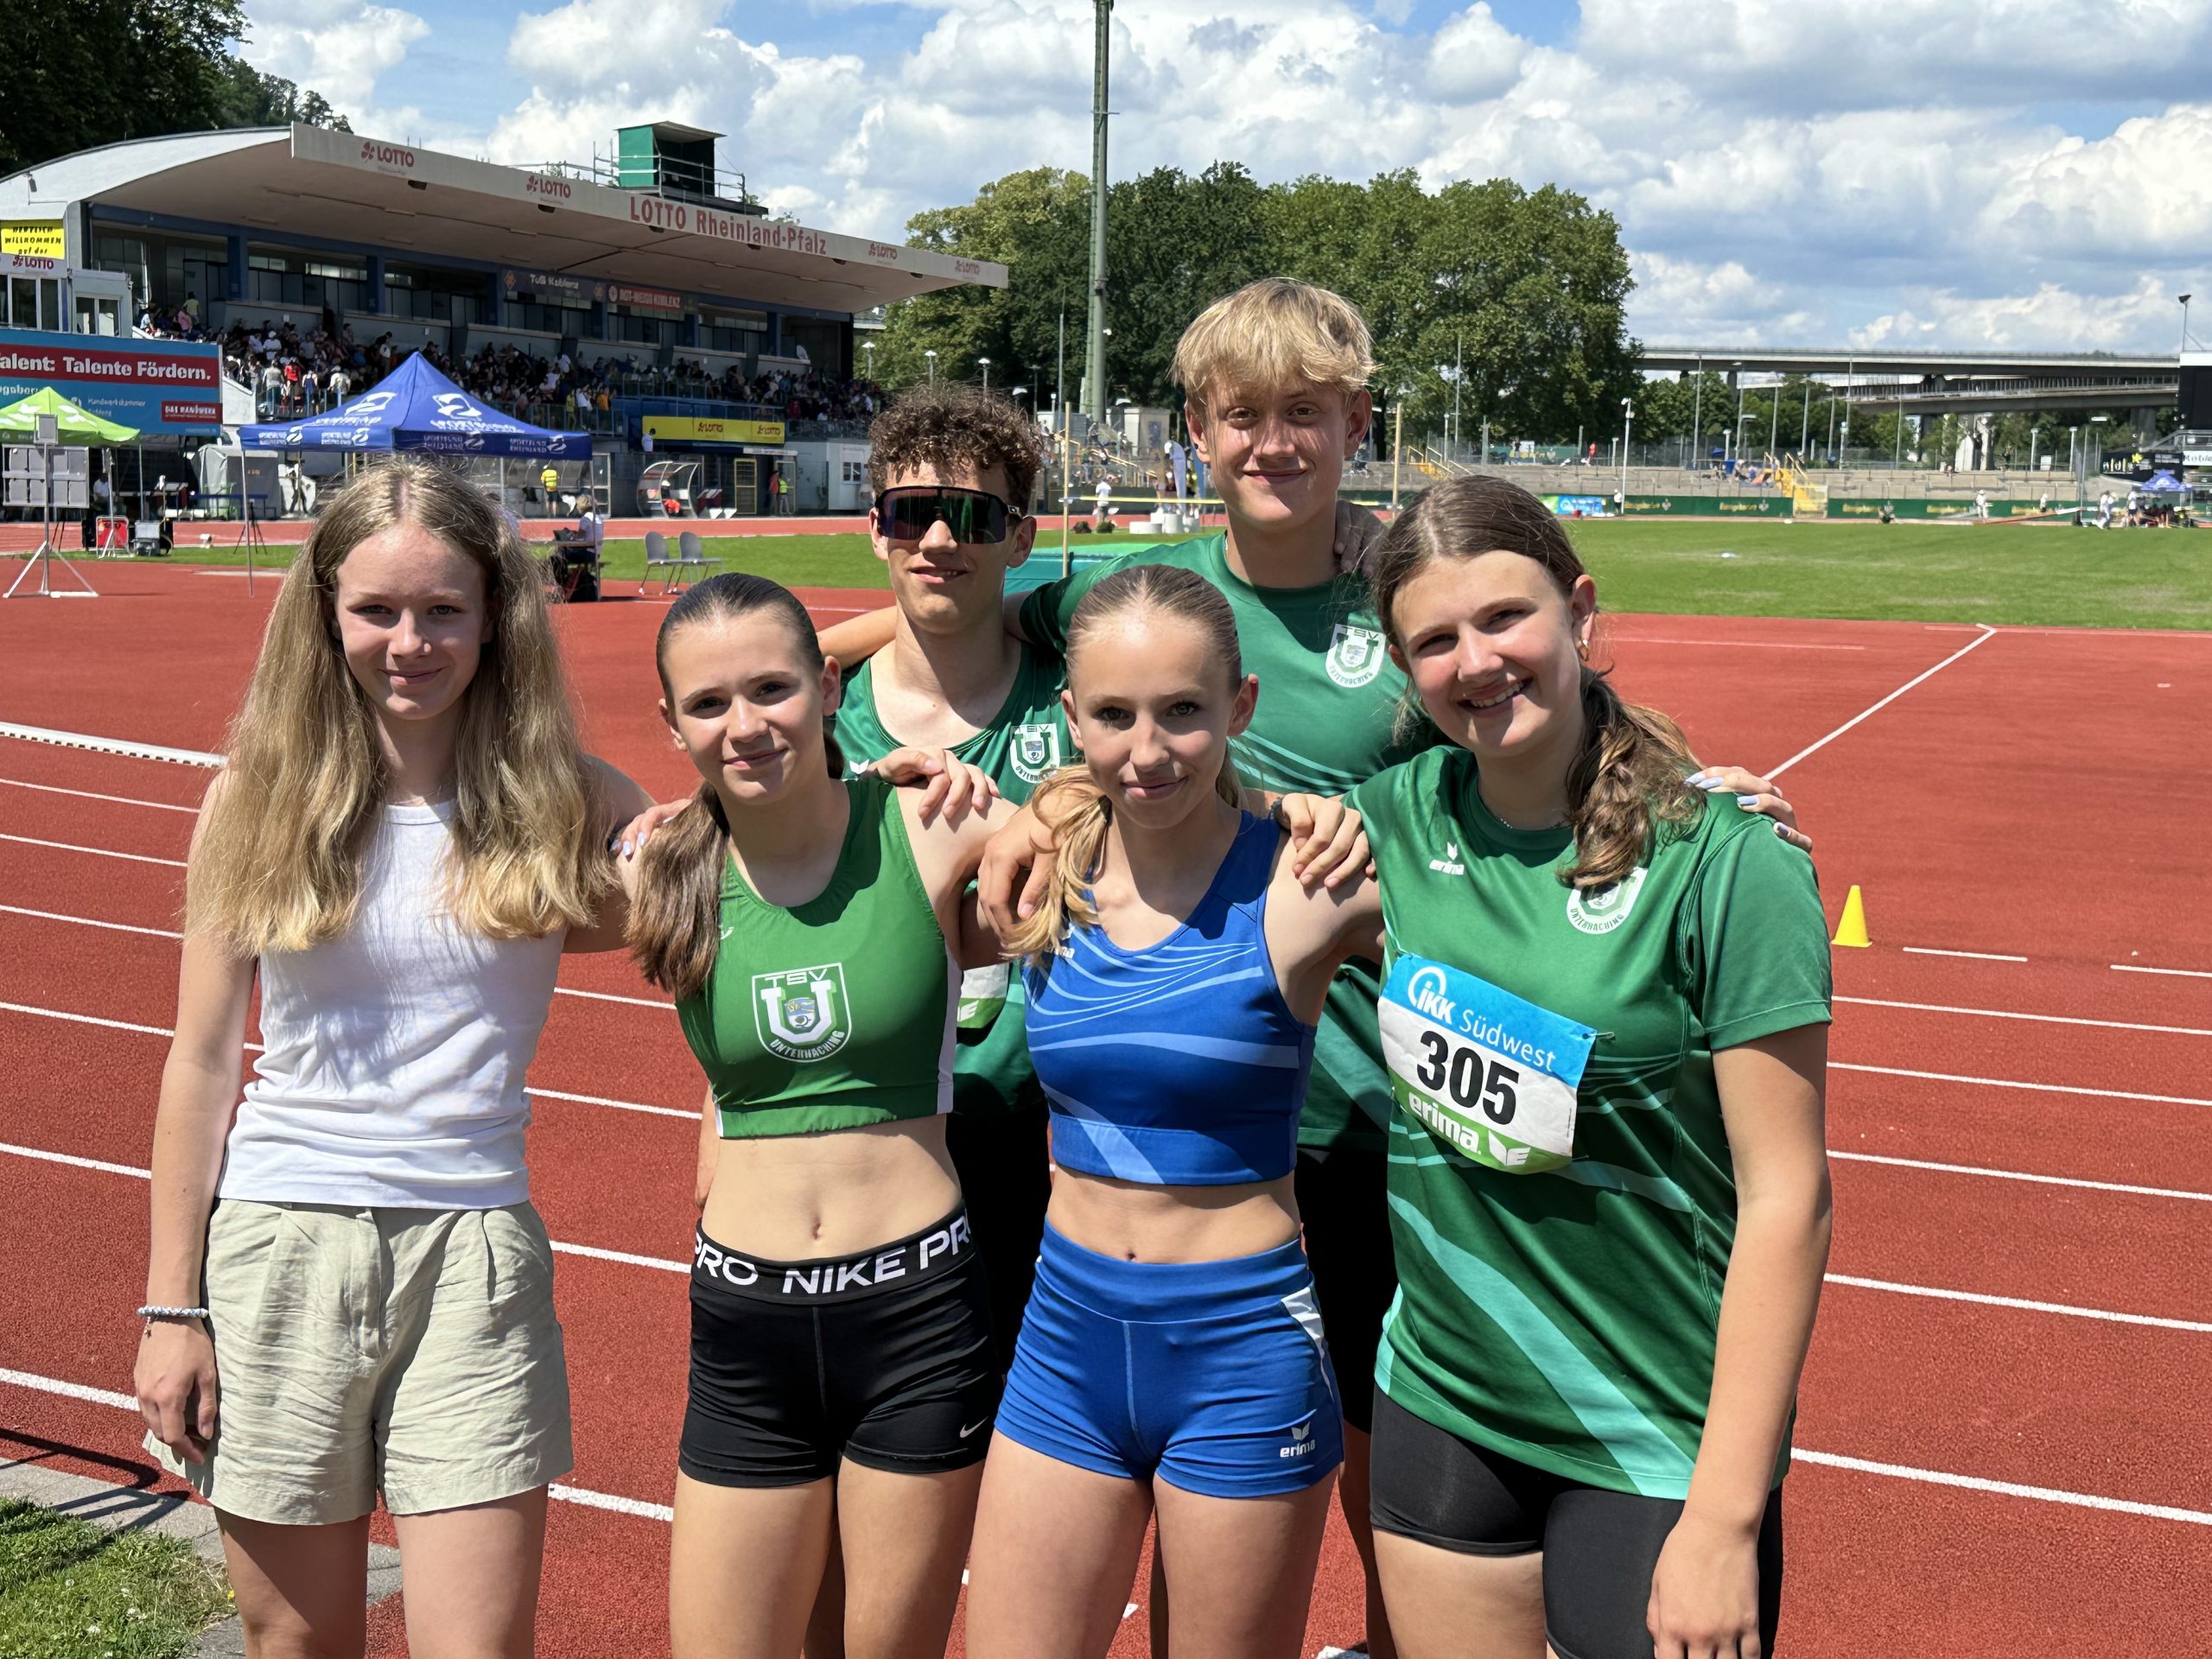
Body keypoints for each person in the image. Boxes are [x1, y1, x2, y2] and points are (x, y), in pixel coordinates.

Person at [872, 279, 1802, 1659]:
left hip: (1380, 1122)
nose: (1271, 443)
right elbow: (953, 626)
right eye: (1240, 416)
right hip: (1150, 1151)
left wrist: (1687, 792)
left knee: (1394, 1477)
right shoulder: (1137, 592)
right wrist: (848, 693)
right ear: (1195, 431)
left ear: (1357, 422)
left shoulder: (1400, 591)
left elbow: (1528, 734)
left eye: (1304, 413)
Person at [133, 457, 656, 1658]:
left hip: (474, 1260)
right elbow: (202, 1063)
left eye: (443, 611)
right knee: (297, 1645)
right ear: (325, 614)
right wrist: (173, 1306)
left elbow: (733, 869)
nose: (410, 642)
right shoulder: (254, 800)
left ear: (494, 618)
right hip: (279, 1250)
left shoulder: (566, 797)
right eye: (377, 610)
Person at [1351, 474, 1833, 1659]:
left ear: (1579, 609)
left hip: (1655, 1430)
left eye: (1506, 618)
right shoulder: (1382, 825)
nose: (1477, 661)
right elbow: (1172, 804)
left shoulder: (1725, 861)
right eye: (1435, 639)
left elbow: (1790, 1199)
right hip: (1444, 1404)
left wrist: (1724, 1518)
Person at [963, 564, 1383, 1659]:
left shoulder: (1307, 884)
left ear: (1239, 708)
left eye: (1184, 712)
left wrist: (1693, 802)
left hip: (1241, 1349)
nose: (1146, 752)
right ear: (1071, 719)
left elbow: (1513, 890)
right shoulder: (1044, 870)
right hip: (1064, 1341)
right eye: (1114, 715)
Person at [621, 574, 1015, 1659]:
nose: (744, 725)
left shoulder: (932, 824)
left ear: (827, 686)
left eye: (772, 689)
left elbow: (1112, 839)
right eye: (708, 705)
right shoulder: (662, 866)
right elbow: (508, 801)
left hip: (917, 1321)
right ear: (672, 725)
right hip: (745, 1334)